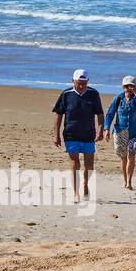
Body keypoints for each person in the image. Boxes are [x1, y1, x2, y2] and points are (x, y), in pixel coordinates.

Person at [52, 69, 107, 203]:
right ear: (73, 81)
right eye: (78, 83)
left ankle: (85, 184)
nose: (81, 86)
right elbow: (59, 115)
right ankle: (76, 193)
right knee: (75, 164)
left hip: (89, 135)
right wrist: (56, 135)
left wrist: (100, 130)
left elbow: (100, 114)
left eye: (84, 83)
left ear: (87, 81)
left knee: (89, 165)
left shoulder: (93, 94)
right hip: (71, 135)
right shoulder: (66, 94)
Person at [104, 75, 136, 190]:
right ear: (123, 87)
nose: (128, 88)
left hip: (135, 132)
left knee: (131, 155)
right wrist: (106, 129)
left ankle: (129, 182)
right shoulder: (118, 98)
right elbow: (110, 114)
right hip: (120, 131)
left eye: (131, 86)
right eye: (126, 86)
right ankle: (125, 180)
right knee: (123, 157)